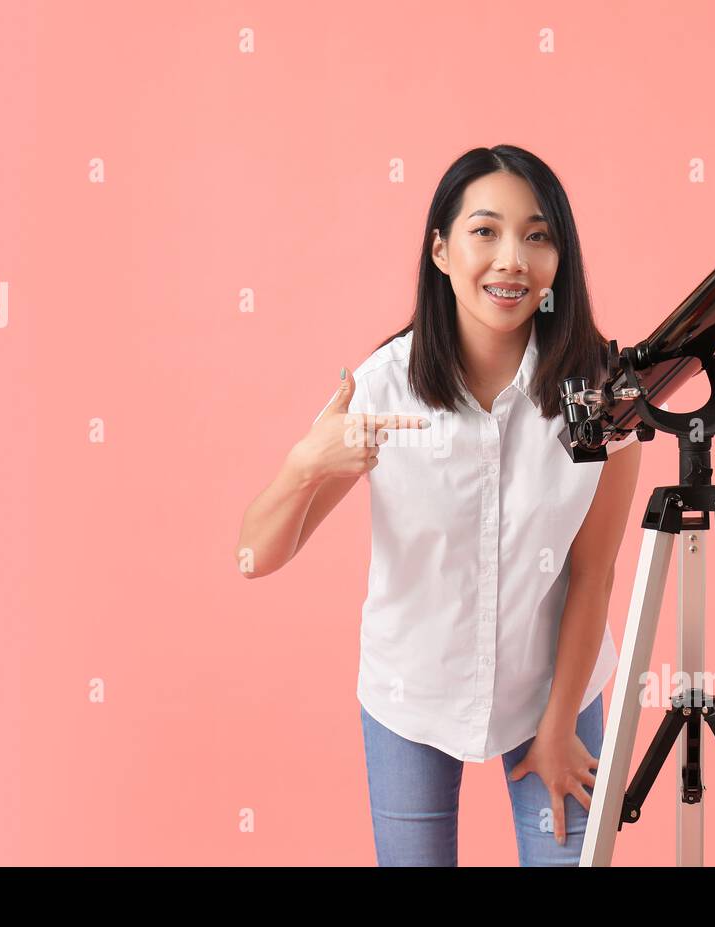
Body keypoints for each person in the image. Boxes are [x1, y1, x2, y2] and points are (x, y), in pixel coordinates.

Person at [236, 144, 642, 865]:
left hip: (554, 686)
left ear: (560, 259)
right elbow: (254, 559)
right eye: (485, 231)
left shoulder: (603, 393)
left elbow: (594, 574)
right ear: (441, 252)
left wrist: (557, 727)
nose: (512, 259)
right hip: (412, 693)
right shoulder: (382, 388)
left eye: (537, 235)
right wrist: (304, 466)